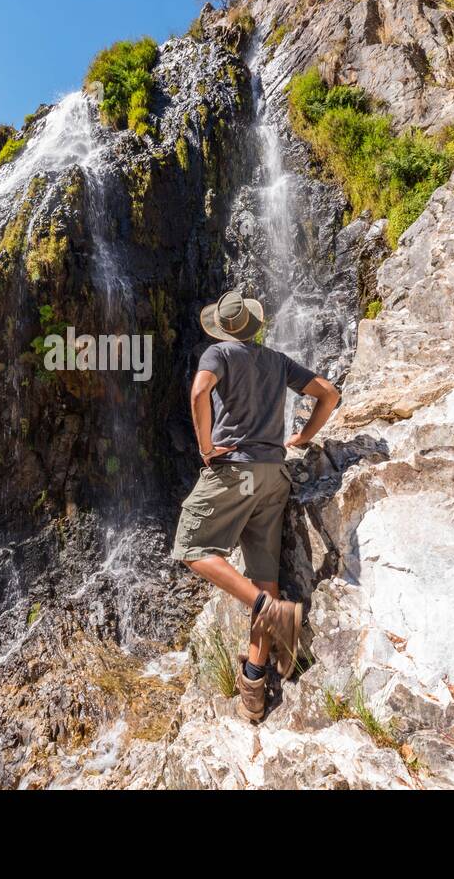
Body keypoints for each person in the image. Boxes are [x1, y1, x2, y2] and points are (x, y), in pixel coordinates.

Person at [172, 290, 341, 722]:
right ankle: (254, 682)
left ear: (225, 329)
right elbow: (329, 394)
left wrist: (206, 447)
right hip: (274, 477)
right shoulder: (277, 361)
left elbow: (198, 394)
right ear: (255, 326)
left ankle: (270, 612)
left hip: (239, 472)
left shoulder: (219, 353)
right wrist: (302, 437)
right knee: (265, 577)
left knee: (191, 547)